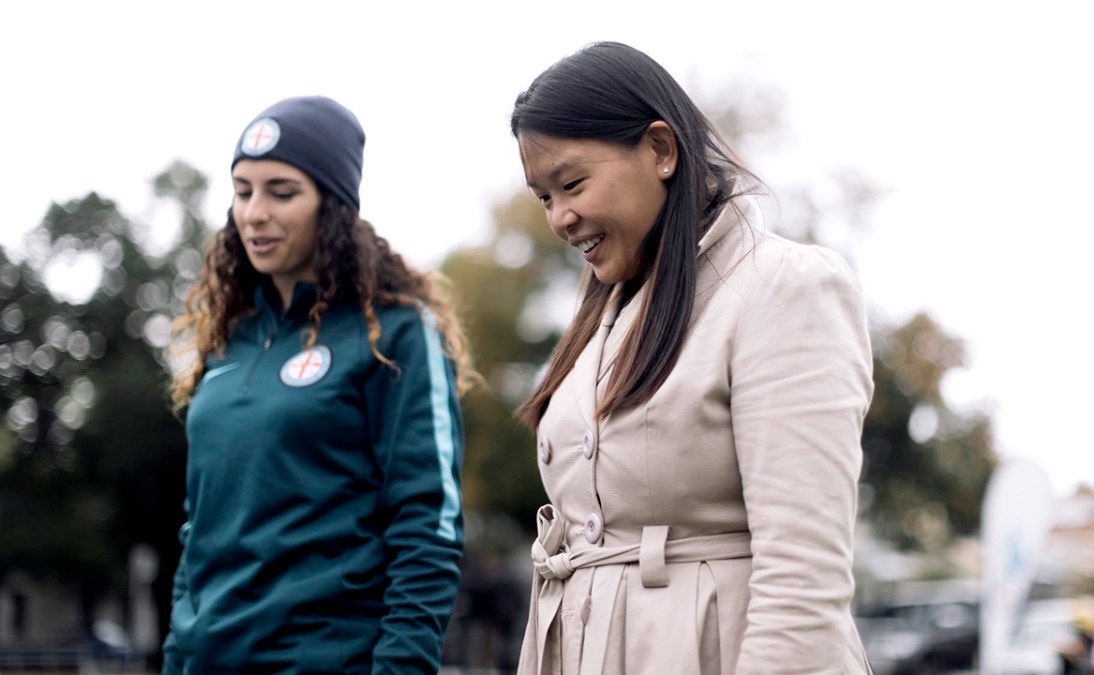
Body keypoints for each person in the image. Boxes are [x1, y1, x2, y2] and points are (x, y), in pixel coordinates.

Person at [509, 42, 875, 673]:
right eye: (543, 197)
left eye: (571, 184)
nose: (560, 218)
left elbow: (802, 582)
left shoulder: (784, 287)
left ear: (660, 150)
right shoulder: (603, 314)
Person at [161, 95, 473, 674]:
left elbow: (427, 527)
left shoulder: (395, 333)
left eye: (281, 192)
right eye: (242, 190)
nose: (254, 212)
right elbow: (198, 529)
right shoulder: (226, 343)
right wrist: (178, 653)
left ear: (331, 206)